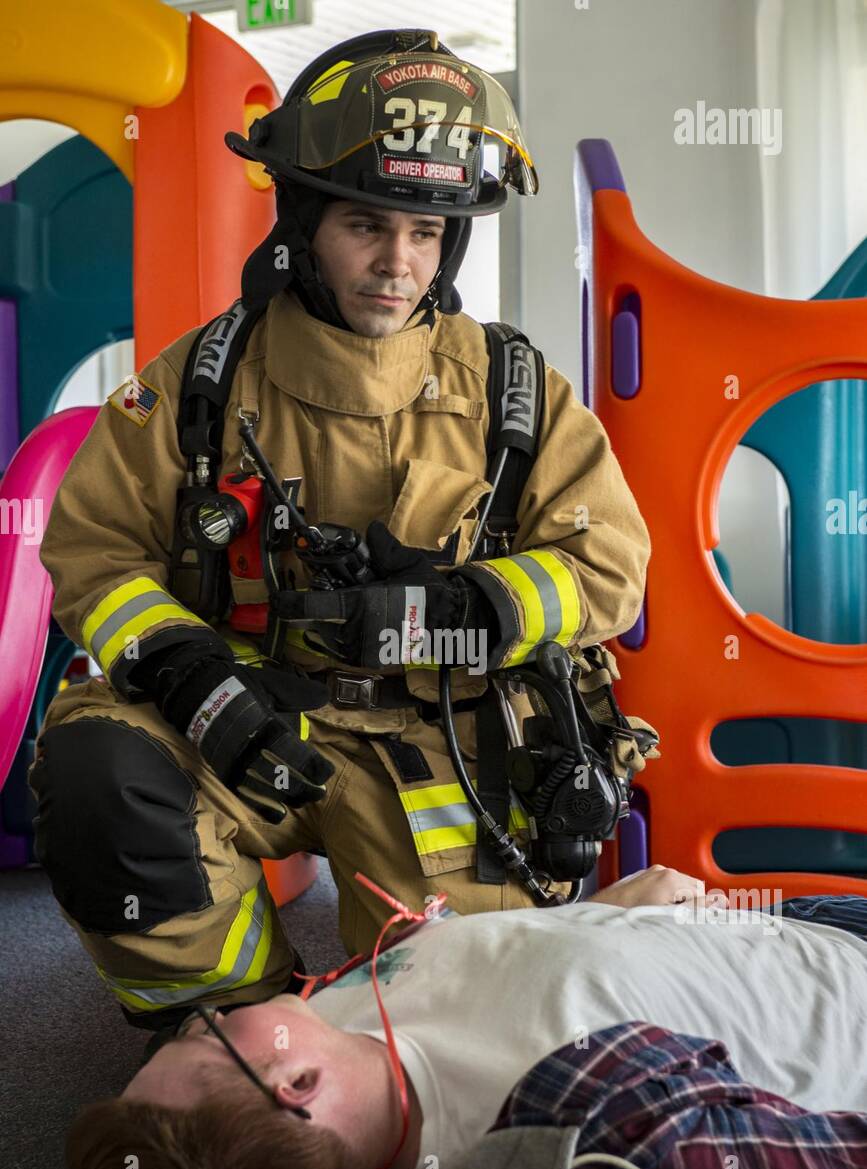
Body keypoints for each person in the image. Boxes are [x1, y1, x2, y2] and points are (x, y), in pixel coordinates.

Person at [29, 29, 652, 1041]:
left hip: (447, 733)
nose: (396, 263)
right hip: (245, 714)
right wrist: (189, 672)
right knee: (99, 775)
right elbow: (96, 551)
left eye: (425, 232)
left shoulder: (515, 391)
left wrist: (478, 607)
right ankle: (240, 1022)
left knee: (464, 1023)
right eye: (367, 224)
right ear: (305, 223)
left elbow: (610, 567)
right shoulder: (199, 384)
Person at [64, 865, 867, 1169]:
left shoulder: (333, 1040)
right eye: (207, 1033)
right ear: (296, 1087)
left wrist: (618, 914)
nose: (215, 1013)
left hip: (766, 918)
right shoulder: (591, 1122)